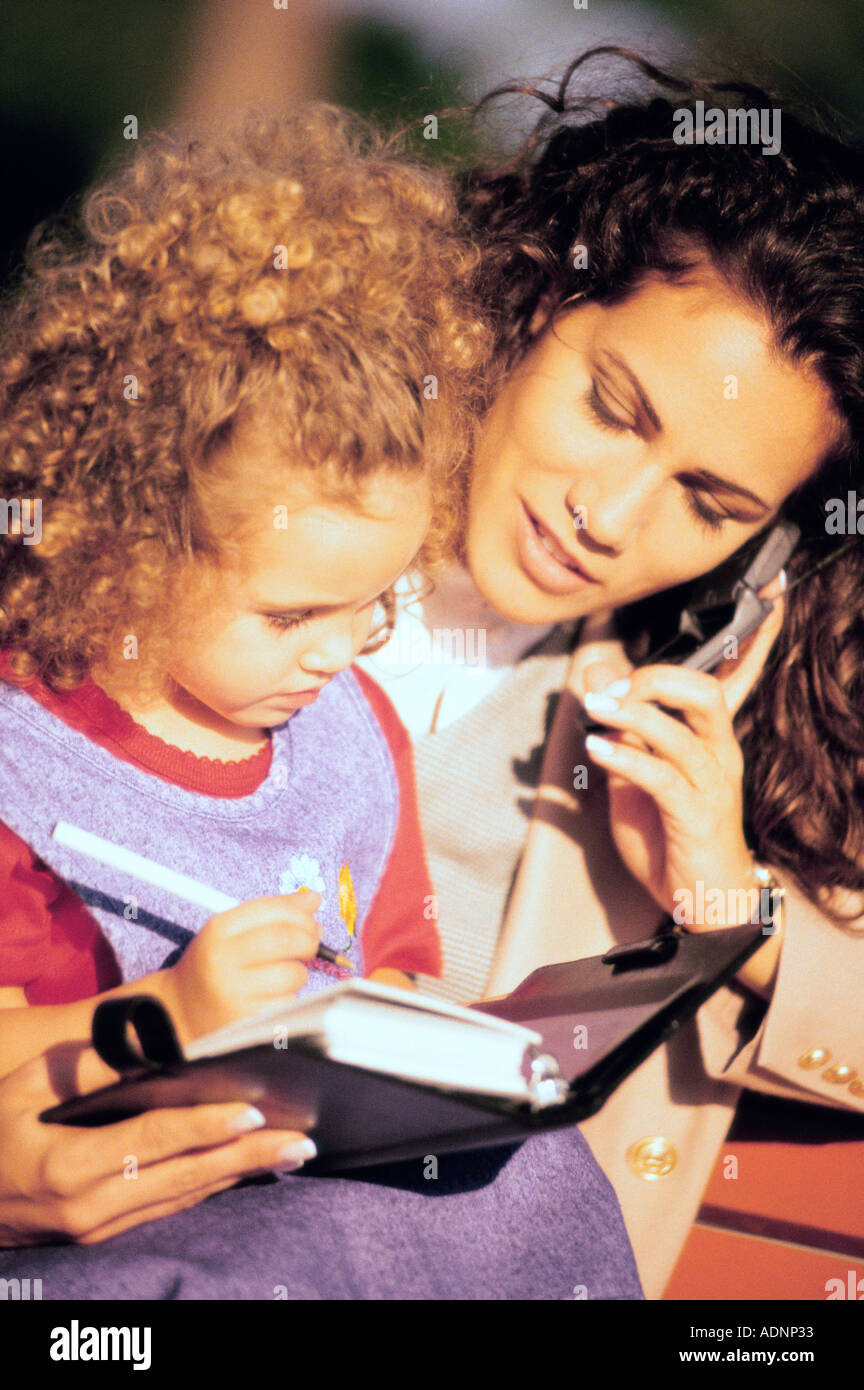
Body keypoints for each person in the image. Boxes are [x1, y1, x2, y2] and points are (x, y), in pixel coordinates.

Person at [0, 99, 642, 1300]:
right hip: (107, 1232)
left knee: (535, 1173)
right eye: (293, 617)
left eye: (381, 602)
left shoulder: (349, 737)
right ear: (129, 540)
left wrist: (410, 1046)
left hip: (294, 1173)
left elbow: (391, 965)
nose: (338, 654)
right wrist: (169, 1010)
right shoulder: (28, 759)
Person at [356, 49, 864, 1296]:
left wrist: (725, 906)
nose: (610, 514)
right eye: (615, 409)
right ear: (534, 299)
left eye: (709, 499)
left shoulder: (678, 751)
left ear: (771, 549)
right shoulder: (211, 538)